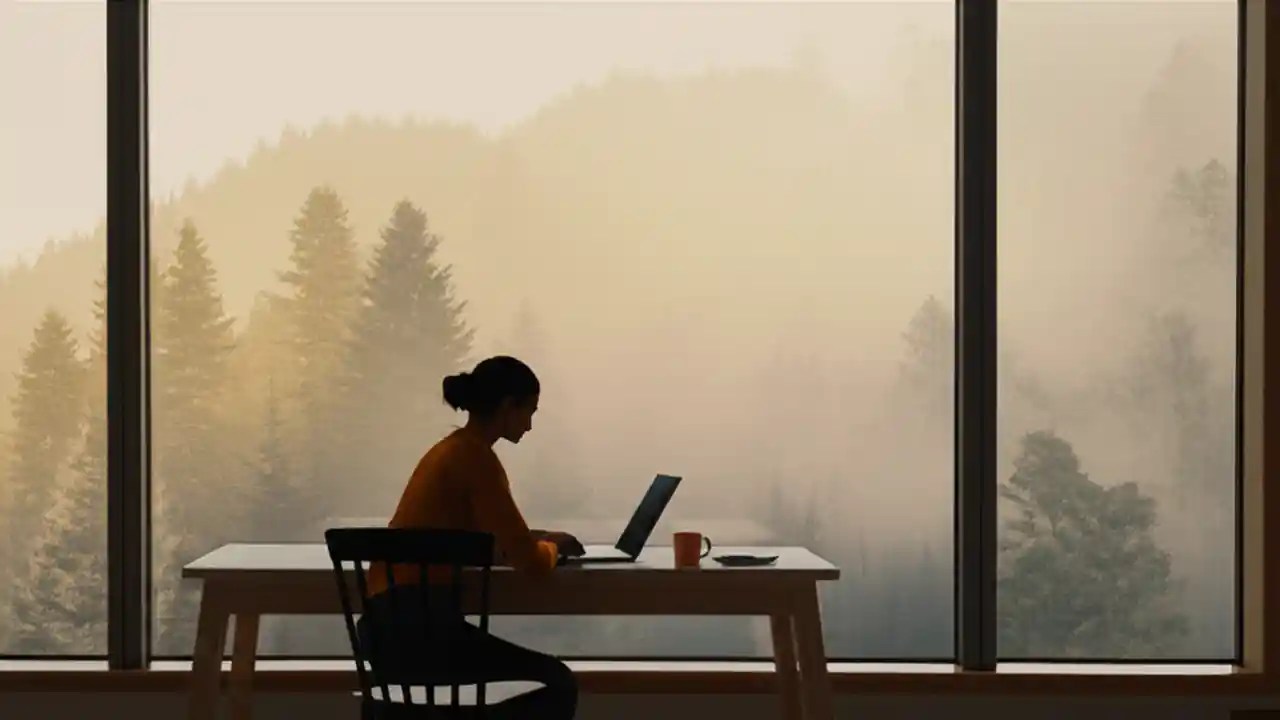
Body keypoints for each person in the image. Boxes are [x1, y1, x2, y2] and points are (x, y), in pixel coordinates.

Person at [359, 355, 584, 719]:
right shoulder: (477, 460)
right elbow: (531, 564)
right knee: (558, 682)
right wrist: (553, 547)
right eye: (529, 411)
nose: (530, 425)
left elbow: (469, 538)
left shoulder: (447, 451)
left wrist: (534, 538)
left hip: (383, 635)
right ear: (508, 406)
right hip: (427, 636)